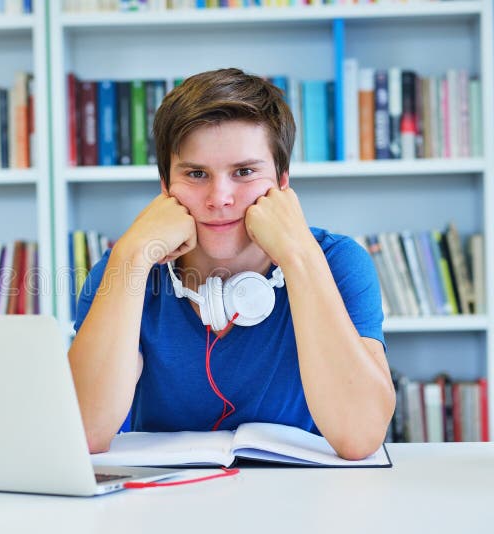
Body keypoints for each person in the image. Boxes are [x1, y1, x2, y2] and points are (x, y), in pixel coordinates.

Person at [68, 68, 396, 461]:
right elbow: (82, 432)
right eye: (196, 174)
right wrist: (134, 254)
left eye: (244, 172)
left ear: (282, 184)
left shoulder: (337, 262)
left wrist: (298, 256)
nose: (219, 197)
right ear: (165, 188)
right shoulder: (127, 267)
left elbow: (360, 437)